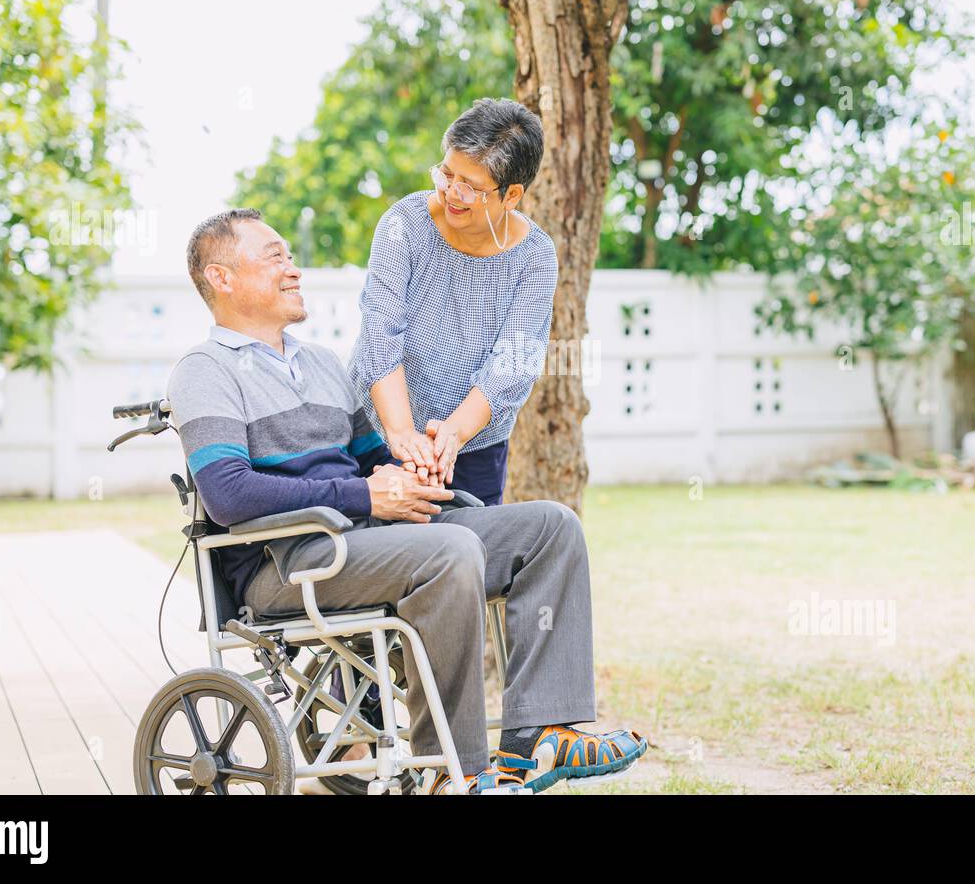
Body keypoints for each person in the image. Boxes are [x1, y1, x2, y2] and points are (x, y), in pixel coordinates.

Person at [165, 207, 645, 794]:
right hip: (286, 562)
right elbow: (227, 493)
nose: (293, 268)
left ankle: (540, 734)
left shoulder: (320, 364)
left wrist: (416, 466)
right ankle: (450, 769)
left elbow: (373, 462)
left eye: (290, 255)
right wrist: (365, 493)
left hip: (365, 546)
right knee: (448, 550)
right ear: (222, 278)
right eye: (275, 256)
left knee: (549, 527)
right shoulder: (204, 370)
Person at [349, 97, 557, 505]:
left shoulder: (536, 256)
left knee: (475, 556)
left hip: (473, 443)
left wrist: (451, 435)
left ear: (511, 195)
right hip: (377, 424)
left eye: (471, 187)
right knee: (377, 557)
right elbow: (380, 332)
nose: (452, 194)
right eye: (447, 175)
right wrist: (404, 435)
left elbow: (513, 363)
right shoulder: (403, 224)